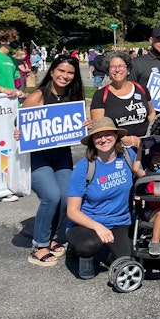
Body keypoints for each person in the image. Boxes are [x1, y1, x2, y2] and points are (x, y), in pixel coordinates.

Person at [21, 53, 89, 266]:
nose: (65, 76)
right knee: (51, 196)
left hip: (62, 156)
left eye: (70, 72)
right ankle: (39, 246)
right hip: (37, 158)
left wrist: (85, 125)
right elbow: (22, 126)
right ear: (52, 71)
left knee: (67, 196)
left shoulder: (74, 98)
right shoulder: (37, 96)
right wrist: (18, 132)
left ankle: (54, 238)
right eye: (61, 71)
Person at [66, 117, 137, 280]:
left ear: (116, 135)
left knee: (129, 261)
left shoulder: (128, 156)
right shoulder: (85, 167)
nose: (103, 139)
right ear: (92, 140)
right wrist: (98, 227)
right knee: (90, 245)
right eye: (98, 136)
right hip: (87, 223)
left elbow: (144, 175)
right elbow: (72, 211)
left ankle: (104, 251)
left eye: (108, 134)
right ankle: (82, 255)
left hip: (120, 222)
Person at [90, 51, 155, 146]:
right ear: (108, 71)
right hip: (117, 148)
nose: (117, 70)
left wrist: (151, 134)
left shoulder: (141, 89)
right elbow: (99, 128)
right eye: (112, 67)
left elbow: (151, 113)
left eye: (121, 66)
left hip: (145, 146)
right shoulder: (100, 95)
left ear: (128, 69)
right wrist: (127, 140)